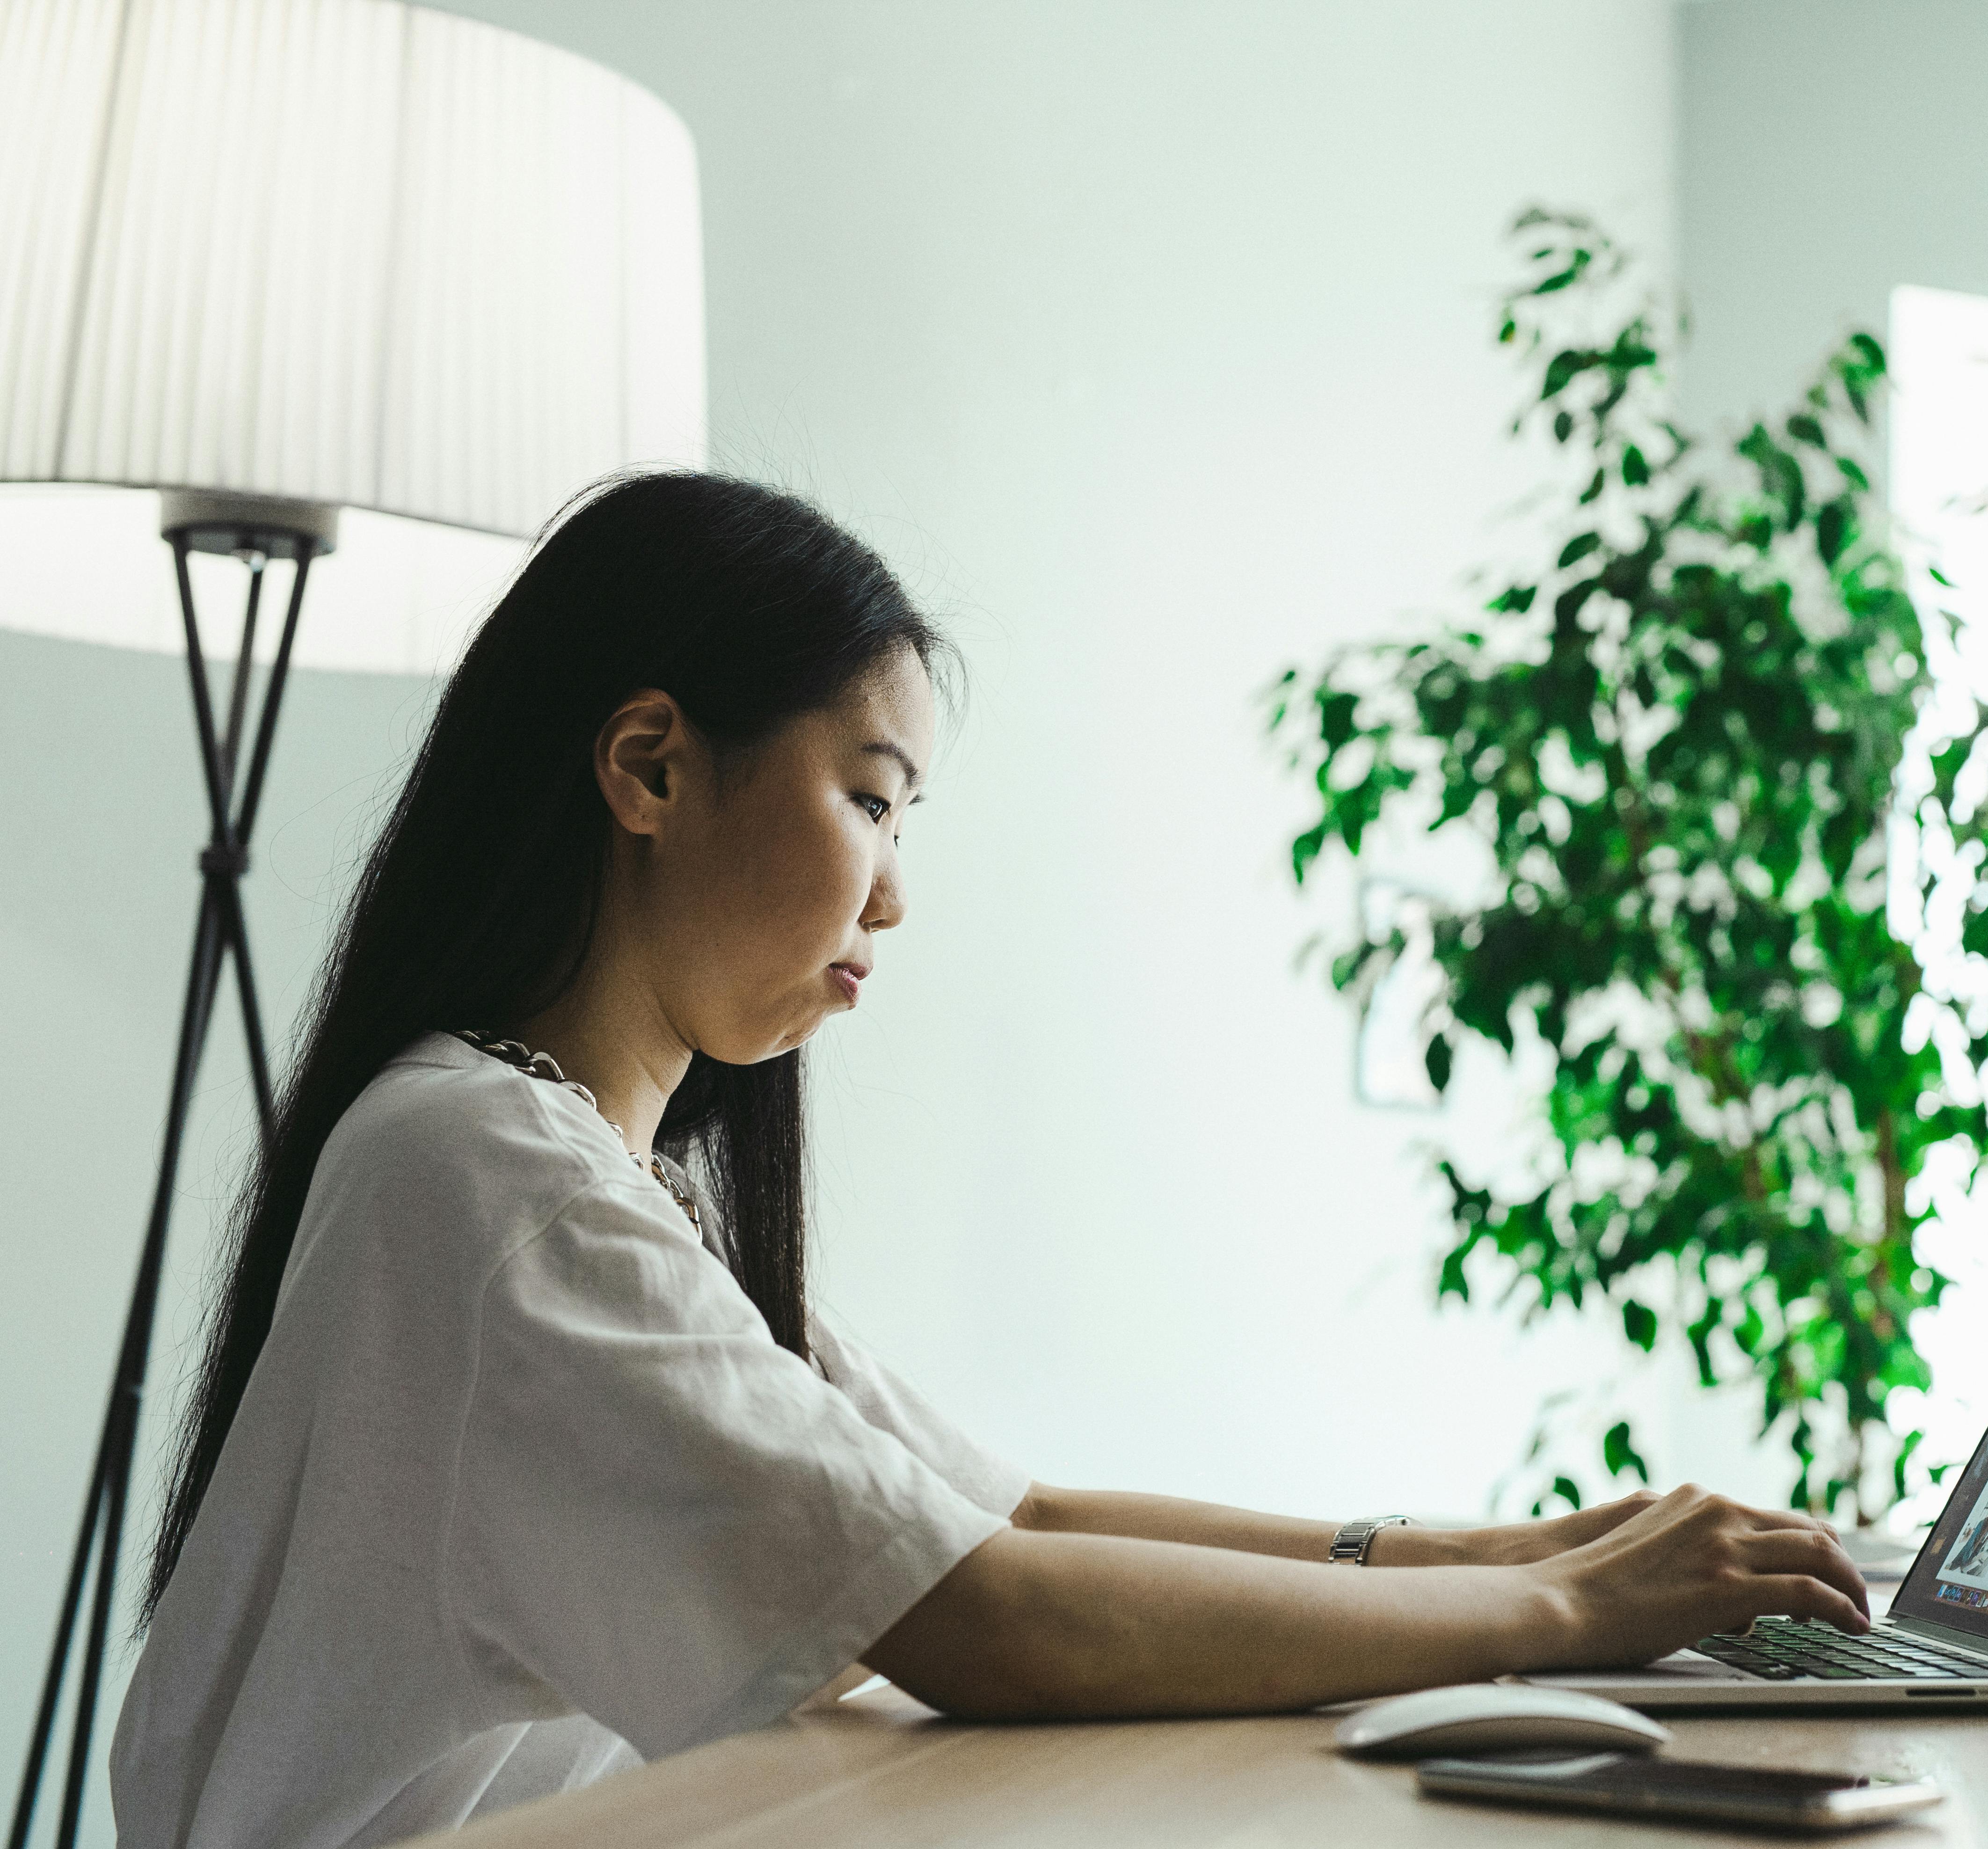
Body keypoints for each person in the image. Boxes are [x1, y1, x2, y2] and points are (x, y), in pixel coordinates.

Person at [113, 473, 1871, 1849]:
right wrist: (1562, 1612)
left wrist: (1507, 1553)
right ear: (651, 765)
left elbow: (1003, 1514)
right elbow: (982, 1613)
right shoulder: (485, 1174)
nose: (895, 890)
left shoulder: (588, 1167)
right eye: (870, 798)